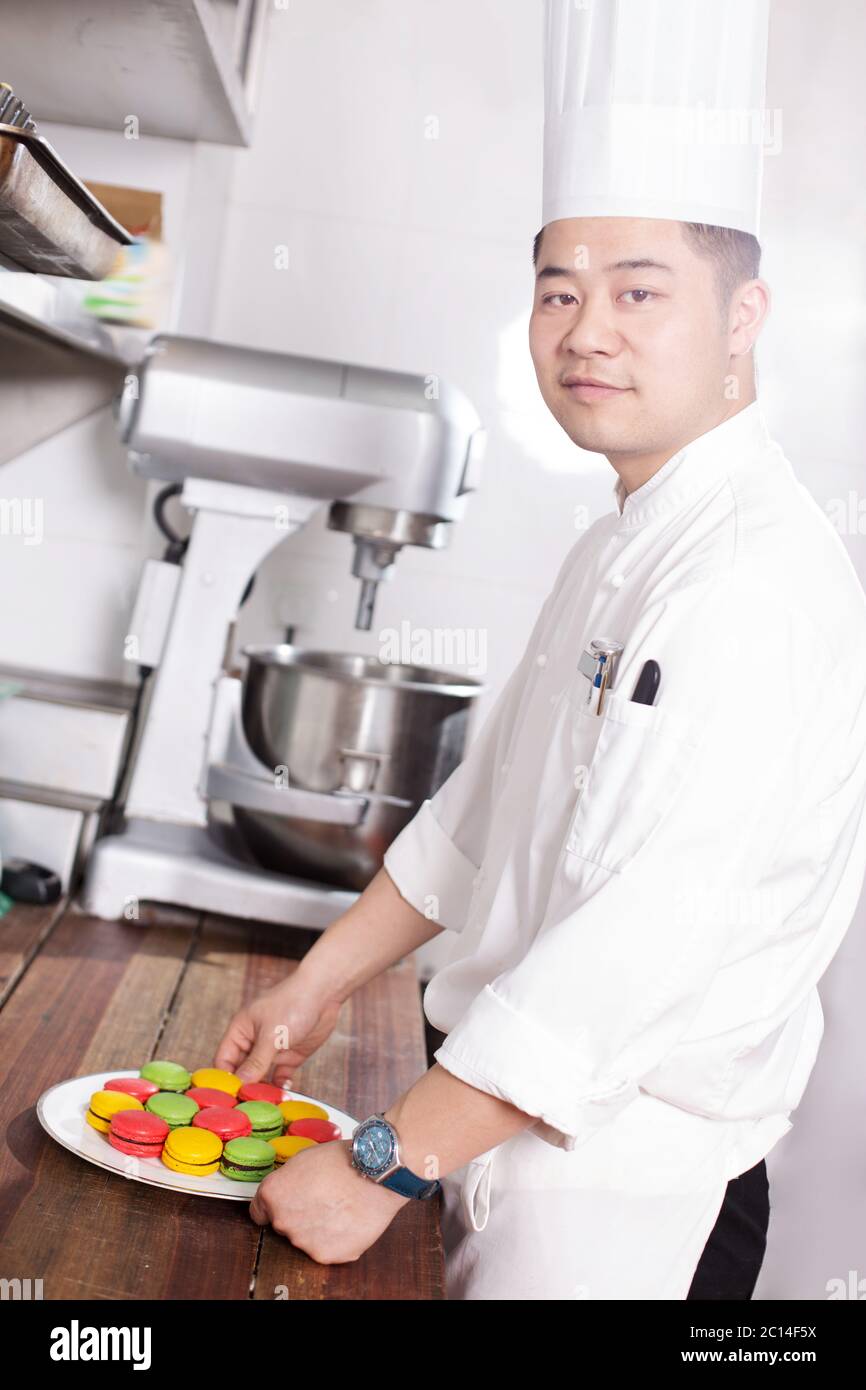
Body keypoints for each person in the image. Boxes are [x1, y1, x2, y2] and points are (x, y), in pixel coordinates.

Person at [214, 1, 866, 1297]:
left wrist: (377, 1163)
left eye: (638, 292)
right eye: (557, 291)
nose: (586, 331)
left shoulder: (749, 577)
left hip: (633, 1205)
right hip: (506, 1145)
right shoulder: (627, 534)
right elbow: (486, 804)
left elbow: (639, 945)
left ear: (743, 318)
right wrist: (318, 982)